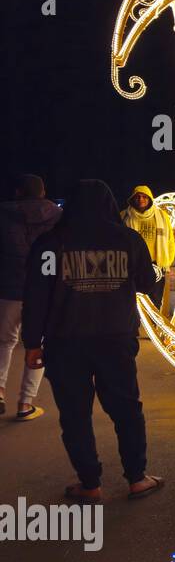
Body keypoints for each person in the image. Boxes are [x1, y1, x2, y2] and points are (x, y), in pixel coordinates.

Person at [23, 180, 164, 502]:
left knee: (75, 414)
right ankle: (137, 478)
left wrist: (32, 342)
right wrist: (156, 272)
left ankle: (90, 484)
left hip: (65, 341)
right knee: (127, 409)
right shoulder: (128, 240)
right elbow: (146, 282)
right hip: (115, 339)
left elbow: (36, 295)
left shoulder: (50, 244)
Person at [0, 174, 61, 420]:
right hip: (43, 292)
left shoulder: (3, 215)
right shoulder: (57, 216)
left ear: (17, 192)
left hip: (8, 289)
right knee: (38, 346)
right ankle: (25, 404)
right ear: (43, 192)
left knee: (4, 342)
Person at [120, 185, 175, 309]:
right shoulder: (124, 216)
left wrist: (167, 262)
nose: (141, 199)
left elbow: (170, 241)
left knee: (155, 299)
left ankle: (153, 326)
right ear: (132, 199)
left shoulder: (162, 216)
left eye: (144, 197)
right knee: (131, 299)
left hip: (156, 265)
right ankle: (135, 327)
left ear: (150, 198)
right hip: (132, 265)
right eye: (137, 197)